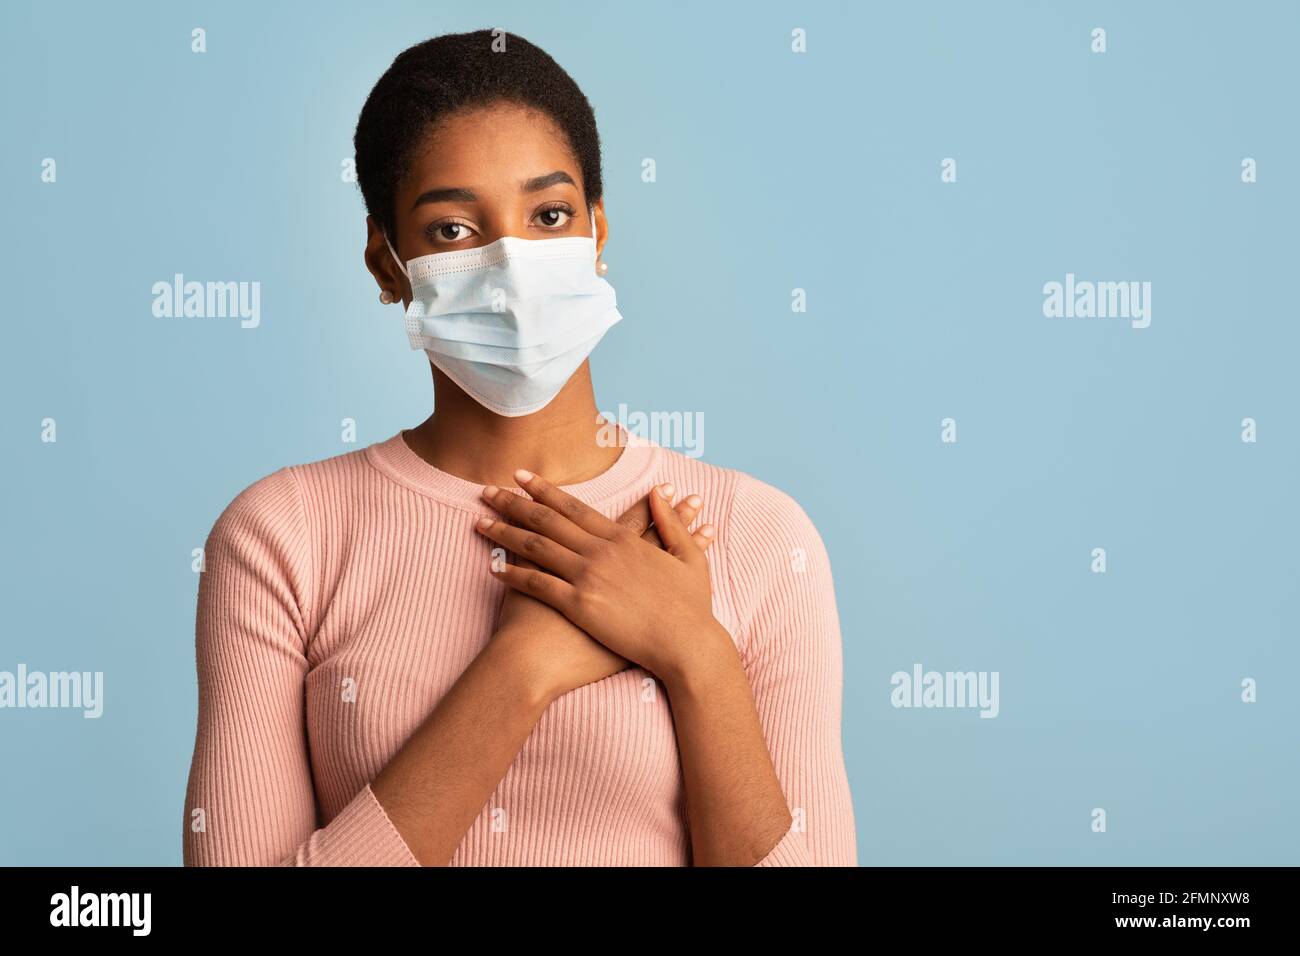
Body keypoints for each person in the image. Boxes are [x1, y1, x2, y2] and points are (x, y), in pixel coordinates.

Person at [182, 29, 856, 867]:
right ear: (386, 265)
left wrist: (697, 653)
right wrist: (520, 670)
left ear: (598, 229)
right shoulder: (283, 537)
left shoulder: (758, 535)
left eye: (549, 215)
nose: (513, 265)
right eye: (454, 230)